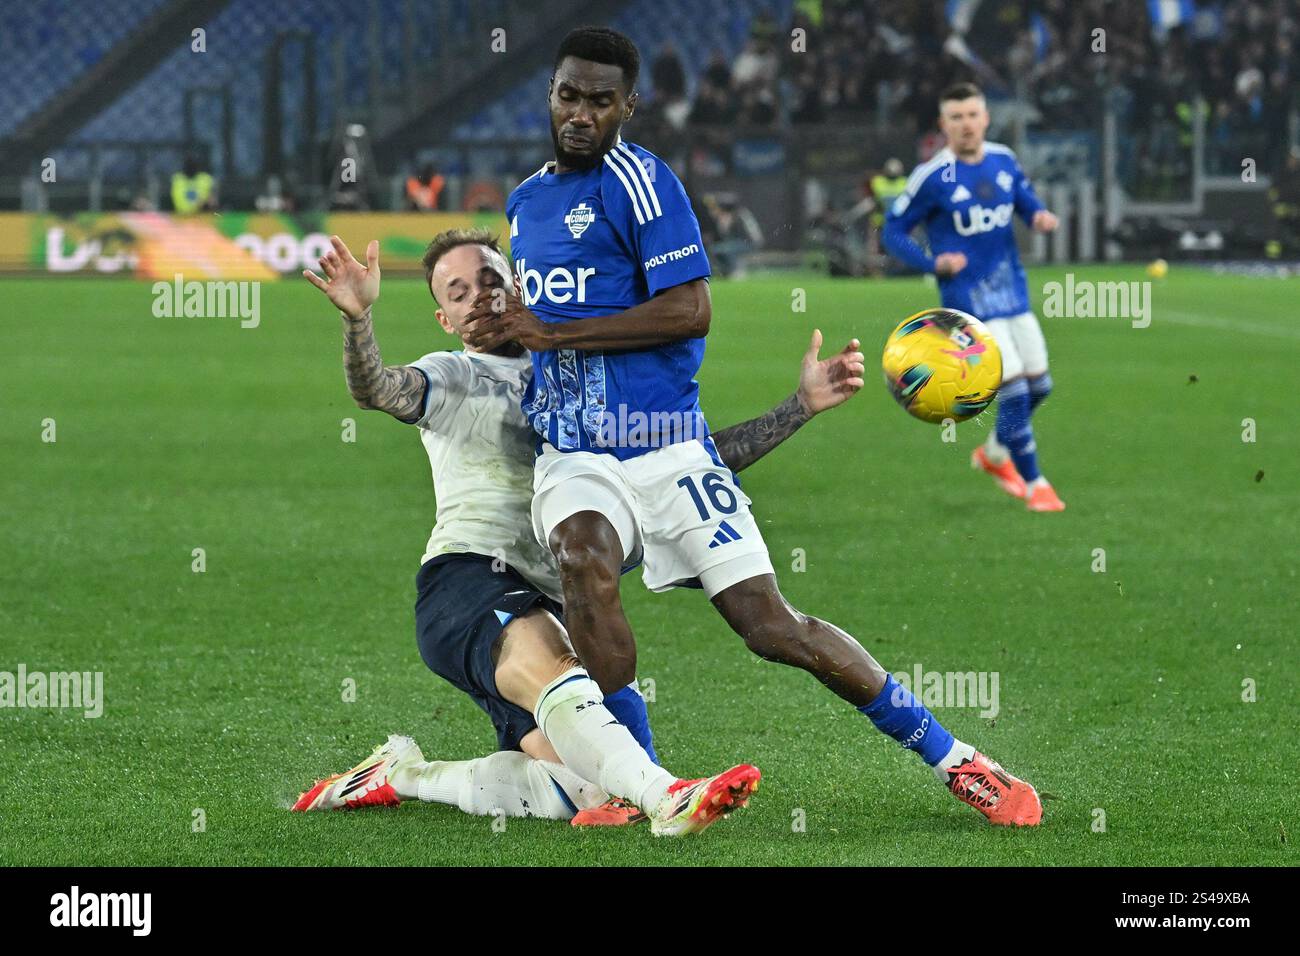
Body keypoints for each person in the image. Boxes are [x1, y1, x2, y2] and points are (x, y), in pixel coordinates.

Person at [461, 27, 1043, 827]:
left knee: (773, 628)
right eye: (570, 95)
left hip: (669, 446)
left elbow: (689, 308)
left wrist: (556, 334)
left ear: (628, 105)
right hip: (577, 453)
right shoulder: (526, 202)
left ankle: (958, 761)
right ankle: (642, 786)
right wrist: (512, 334)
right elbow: (541, 320)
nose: (583, 113)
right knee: (583, 556)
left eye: (602, 100)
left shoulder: (644, 184)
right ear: (551, 95)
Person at [293, 229, 863, 832]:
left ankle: (400, 776)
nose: (479, 298)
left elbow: (678, 462)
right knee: (574, 694)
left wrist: (798, 407)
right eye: (458, 293)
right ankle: (667, 797)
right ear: (445, 319)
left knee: (584, 789)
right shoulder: (455, 377)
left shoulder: (576, 377)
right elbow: (376, 388)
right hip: (469, 584)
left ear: (519, 284)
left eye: (490, 279)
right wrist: (359, 319)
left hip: (549, 598)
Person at [884, 81, 1065, 512]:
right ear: (943, 125)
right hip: (969, 301)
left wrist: (1037, 214)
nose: (966, 125)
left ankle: (995, 453)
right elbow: (892, 230)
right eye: (956, 117)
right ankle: (1035, 482)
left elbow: (1021, 196)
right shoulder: (932, 176)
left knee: (1041, 384)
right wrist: (934, 263)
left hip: (1012, 291)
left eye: (972, 115)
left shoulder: (1003, 159)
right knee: (1016, 388)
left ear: (985, 118)